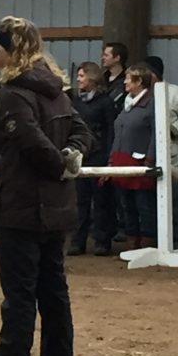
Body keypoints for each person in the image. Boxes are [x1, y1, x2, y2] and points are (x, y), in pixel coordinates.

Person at [0, 16, 92, 356]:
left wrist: (58, 164)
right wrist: (71, 157)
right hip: (58, 208)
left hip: (22, 207)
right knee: (54, 293)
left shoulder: (13, 95)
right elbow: (82, 132)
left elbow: (32, 143)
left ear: (12, 49)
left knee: (19, 296)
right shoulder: (57, 90)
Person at [143, 56, 178, 249]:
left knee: (172, 201)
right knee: (146, 202)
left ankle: (177, 241)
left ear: (153, 73)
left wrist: (171, 129)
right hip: (144, 155)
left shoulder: (175, 93)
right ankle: (152, 241)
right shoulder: (139, 94)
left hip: (170, 155)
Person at [69, 61, 116, 256]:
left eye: (81, 76)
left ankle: (102, 241)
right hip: (81, 155)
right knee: (80, 201)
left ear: (92, 77)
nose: (78, 80)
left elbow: (111, 131)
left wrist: (109, 158)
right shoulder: (75, 102)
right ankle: (77, 241)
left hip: (99, 156)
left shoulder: (105, 102)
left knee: (101, 201)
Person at [109, 64, 157, 251]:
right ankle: (131, 239)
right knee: (126, 203)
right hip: (122, 160)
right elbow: (118, 135)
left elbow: (156, 134)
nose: (125, 82)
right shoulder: (126, 104)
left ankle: (147, 241)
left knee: (143, 204)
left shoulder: (151, 104)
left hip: (141, 162)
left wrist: (150, 159)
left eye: (129, 79)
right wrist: (112, 161)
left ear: (139, 82)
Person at [101, 42, 128, 112]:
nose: (102, 58)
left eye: (106, 55)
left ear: (117, 58)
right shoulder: (101, 78)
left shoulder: (127, 80)